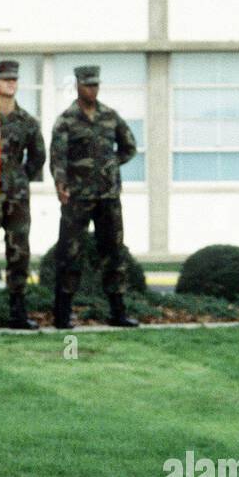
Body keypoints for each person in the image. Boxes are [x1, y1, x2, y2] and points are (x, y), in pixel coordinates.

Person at [50, 65, 139, 329]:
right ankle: (63, 315)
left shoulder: (110, 116)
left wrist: (110, 165)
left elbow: (129, 147)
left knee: (113, 252)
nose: (93, 89)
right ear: (77, 86)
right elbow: (57, 158)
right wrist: (62, 183)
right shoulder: (66, 120)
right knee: (70, 253)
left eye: (96, 85)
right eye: (88, 85)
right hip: (78, 199)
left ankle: (118, 312)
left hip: (108, 196)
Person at [0, 60, 46, 331]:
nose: (11, 83)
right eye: (5, 79)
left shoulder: (26, 121)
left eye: (14, 79)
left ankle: (18, 310)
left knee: (19, 252)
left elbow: (39, 155)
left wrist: (20, 176)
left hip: (16, 195)